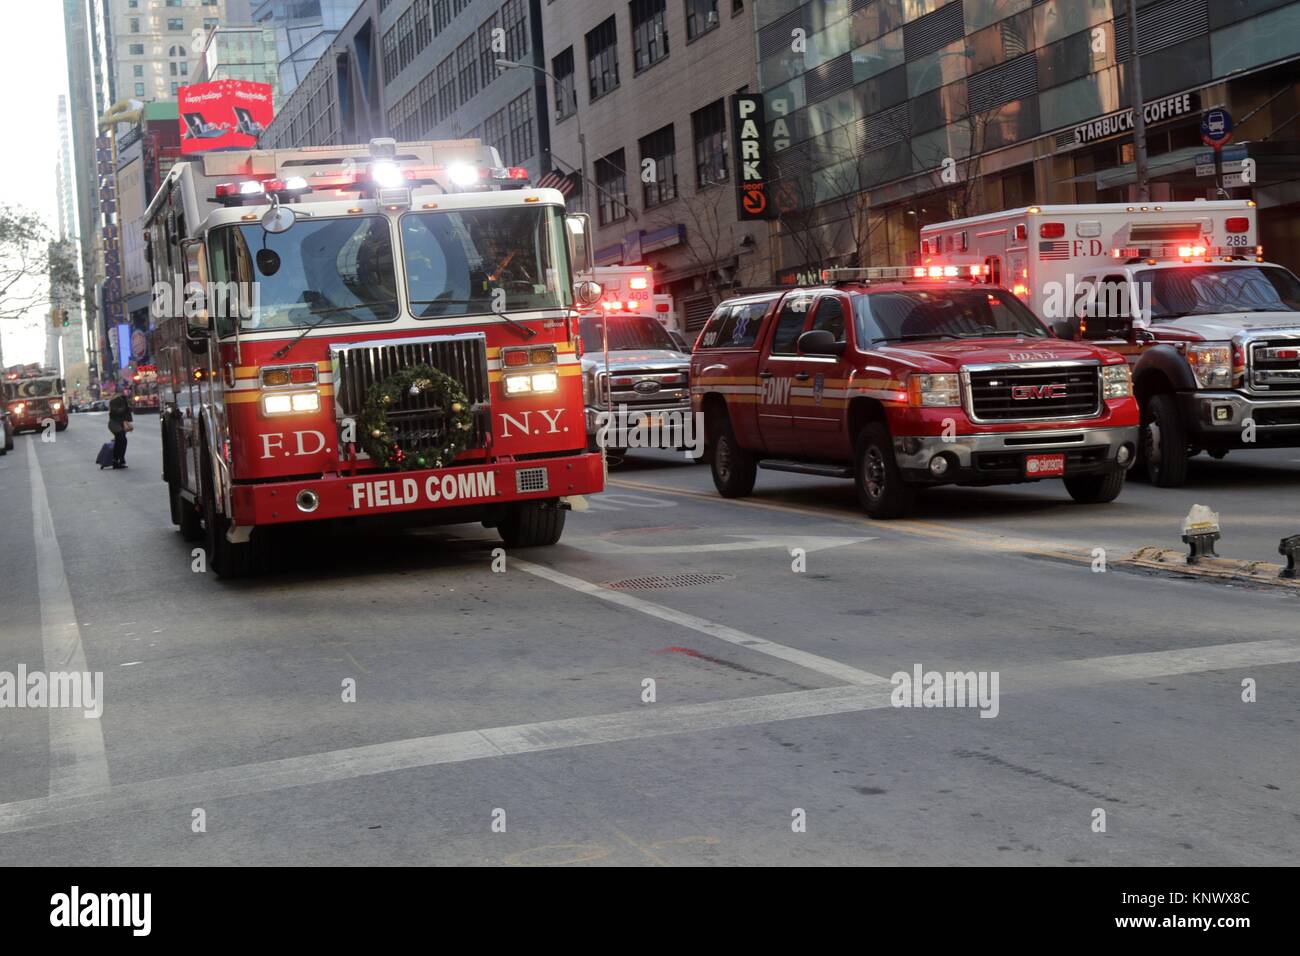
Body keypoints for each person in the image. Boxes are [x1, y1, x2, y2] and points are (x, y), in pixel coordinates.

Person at [107, 392, 133, 469]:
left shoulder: (124, 402)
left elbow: (127, 415)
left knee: (122, 441)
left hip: (120, 424)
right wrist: (125, 408)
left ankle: (120, 460)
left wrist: (127, 422)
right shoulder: (116, 401)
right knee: (121, 440)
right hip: (114, 423)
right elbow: (115, 412)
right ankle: (116, 460)